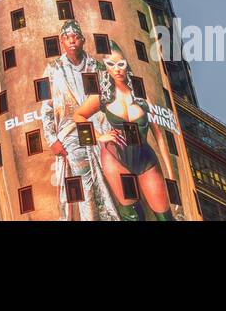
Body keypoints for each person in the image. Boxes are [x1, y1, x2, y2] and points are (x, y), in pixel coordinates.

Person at [74, 42, 173, 220]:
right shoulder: (103, 95)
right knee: (134, 217)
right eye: (111, 64)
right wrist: (99, 137)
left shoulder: (140, 93)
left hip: (145, 159)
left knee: (165, 217)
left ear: (127, 64)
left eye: (120, 64)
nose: (116, 69)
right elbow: (78, 116)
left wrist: (170, 174)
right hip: (116, 158)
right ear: (106, 67)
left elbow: (158, 136)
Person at [38, 19, 117, 221]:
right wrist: (52, 139)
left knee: (108, 180)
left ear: (82, 40)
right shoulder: (52, 69)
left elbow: (107, 102)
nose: (71, 40)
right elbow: (46, 107)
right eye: (66, 37)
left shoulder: (97, 67)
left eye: (75, 37)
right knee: (84, 183)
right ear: (61, 42)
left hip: (98, 129)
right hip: (69, 132)